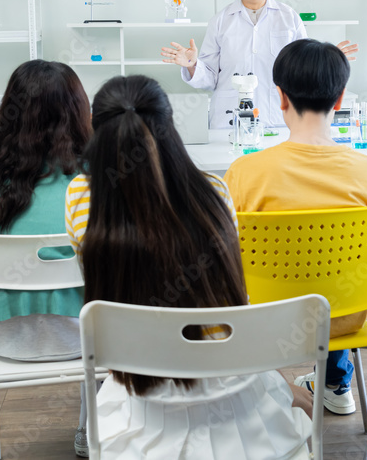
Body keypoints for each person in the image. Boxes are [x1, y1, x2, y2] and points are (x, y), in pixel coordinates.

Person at [66, 75, 314, 459]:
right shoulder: (216, 194)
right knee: (295, 401)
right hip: (233, 391)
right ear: (170, 129)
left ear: (98, 136)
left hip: (141, 397)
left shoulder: (82, 200)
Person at [223, 39, 367, 417]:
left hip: (270, 321)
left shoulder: (244, 173)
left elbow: (227, 257)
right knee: (335, 279)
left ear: (280, 97)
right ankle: (337, 382)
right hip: (346, 321)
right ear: (339, 100)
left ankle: (268, 384)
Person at [0, 60, 93, 456]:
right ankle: (95, 430)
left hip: (1, 338)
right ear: (78, 111)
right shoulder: (95, 182)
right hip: (83, 338)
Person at [160, 0, 358, 128]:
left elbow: (304, 71)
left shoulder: (289, 18)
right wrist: (193, 65)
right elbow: (210, 79)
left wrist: (328, 59)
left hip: (279, 121)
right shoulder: (220, 21)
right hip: (229, 123)